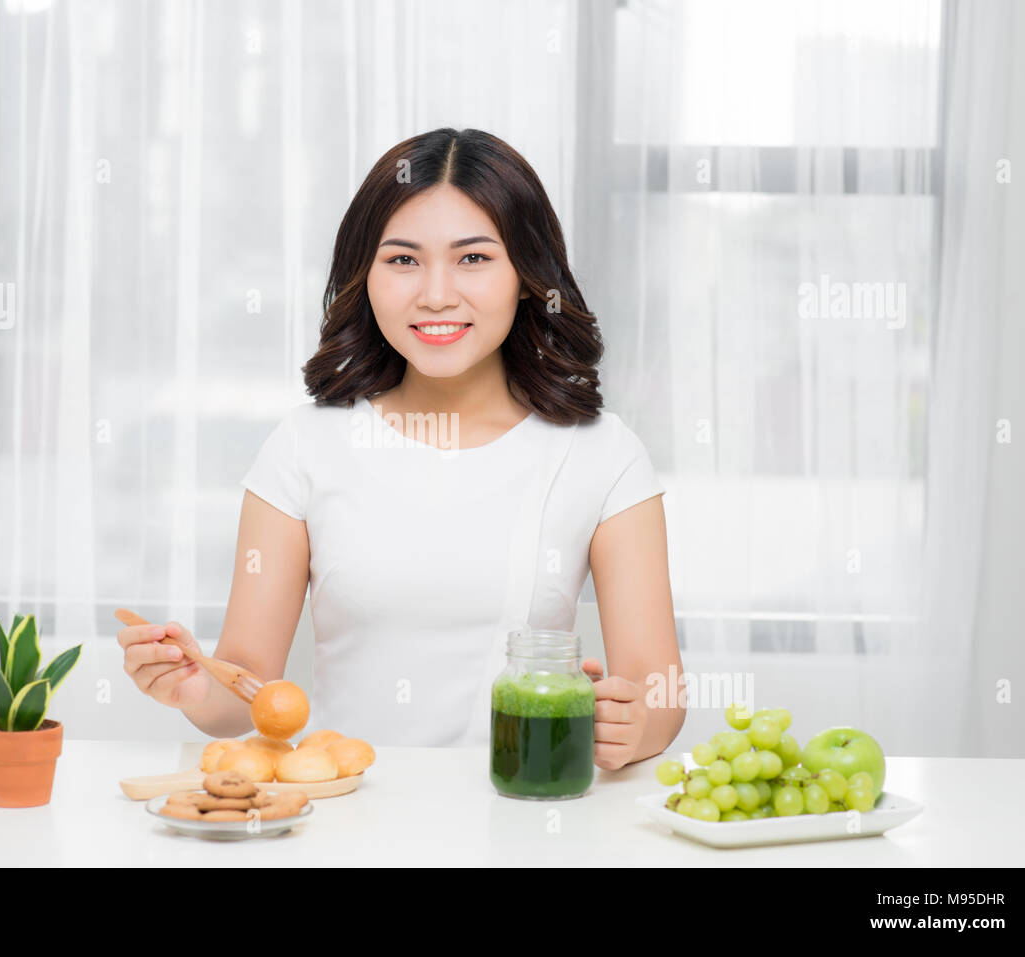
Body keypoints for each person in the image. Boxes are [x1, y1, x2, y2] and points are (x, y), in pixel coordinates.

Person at [118, 128, 684, 769]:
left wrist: (635, 726)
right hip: (348, 817)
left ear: (529, 276)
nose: (436, 294)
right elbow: (244, 685)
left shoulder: (603, 455)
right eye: (403, 260)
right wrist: (193, 685)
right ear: (365, 275)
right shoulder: (305, 447)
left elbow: (654, 693)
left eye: (473, 258)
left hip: (524, 819)